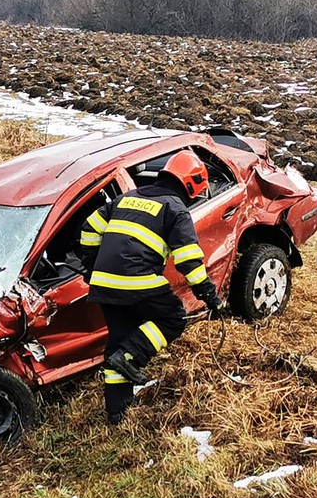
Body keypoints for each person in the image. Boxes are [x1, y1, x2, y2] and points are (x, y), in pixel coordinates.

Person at [80, 149, 228, 424]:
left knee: (119, 341)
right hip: (137, 281)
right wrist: (210, 296)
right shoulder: (175, 209)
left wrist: (93, 267)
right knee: (171, 318)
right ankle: (131, 356)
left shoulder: (126, 198)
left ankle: (117, 414)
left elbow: (89, 230)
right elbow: (188, 260)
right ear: (192, 184)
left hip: (103, 285)